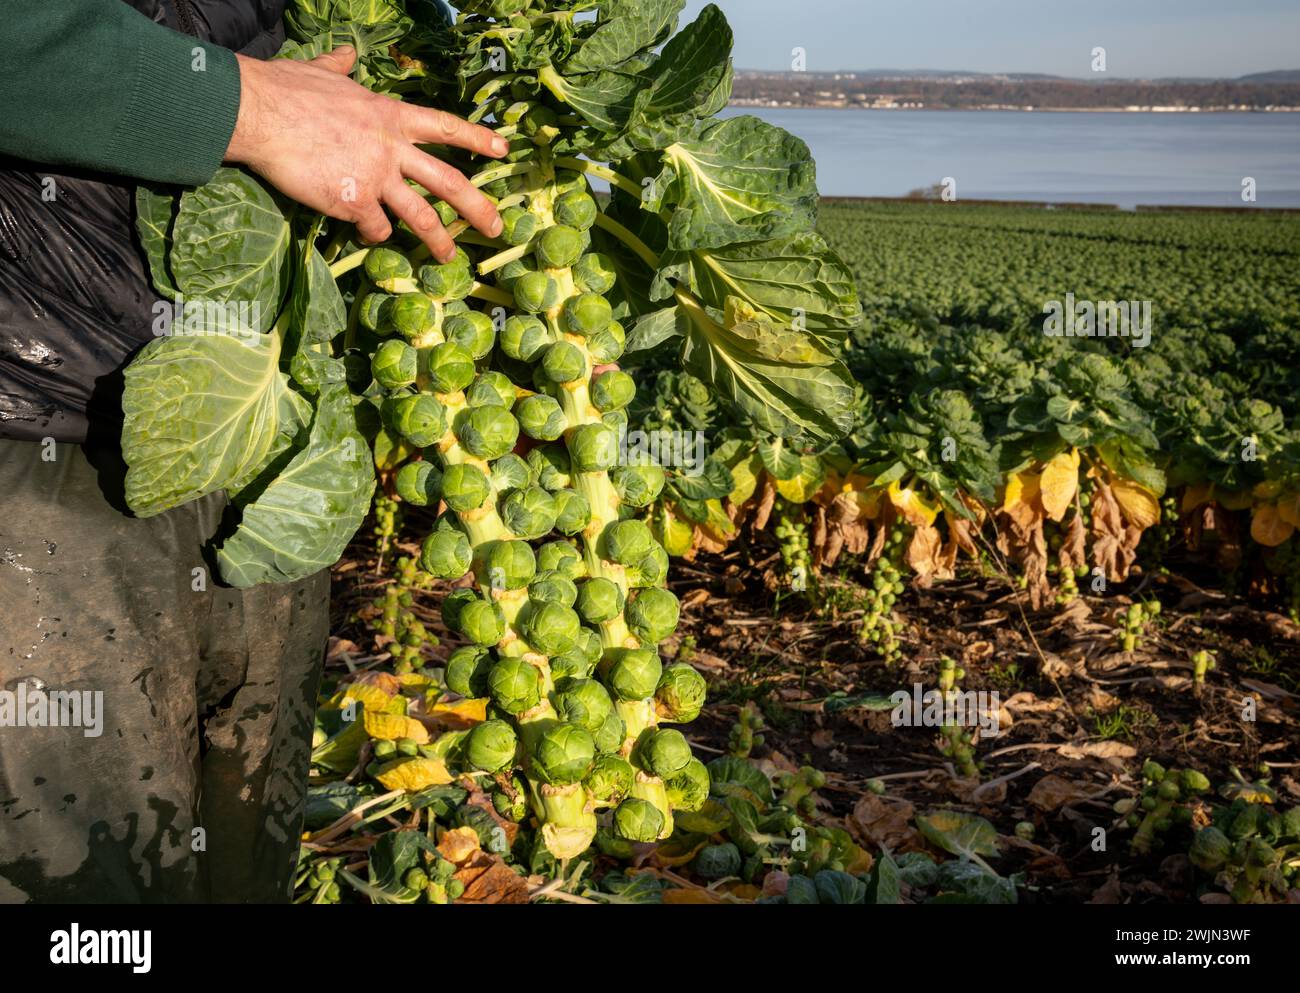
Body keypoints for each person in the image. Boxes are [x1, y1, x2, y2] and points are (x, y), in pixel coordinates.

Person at [0, 0, 503, 903]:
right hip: (34, 444)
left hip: (262, 419)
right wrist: (250, 111)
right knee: (74, 887)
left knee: (236, 863)